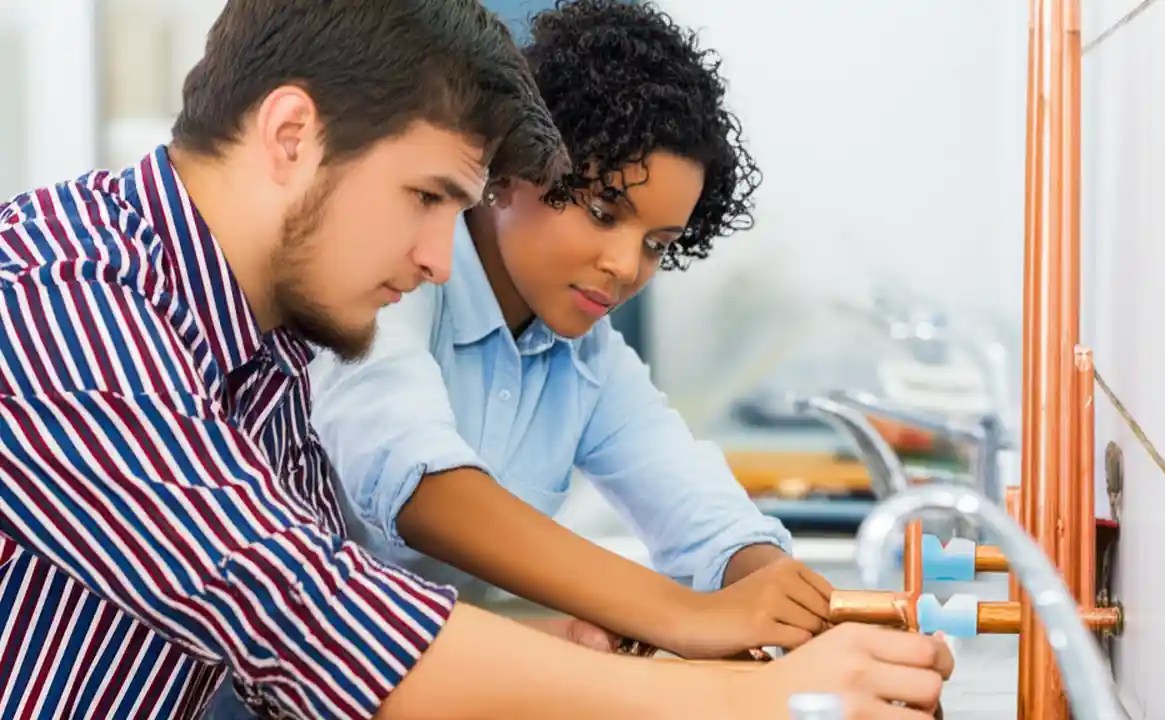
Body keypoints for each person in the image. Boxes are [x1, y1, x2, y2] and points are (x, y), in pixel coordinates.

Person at [0, 1, 953, 718]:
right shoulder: (58, 304)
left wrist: (550, 649)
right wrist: (747, 691)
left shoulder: (265, 339)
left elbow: (306, 639)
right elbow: (306, 618)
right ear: (292, 137)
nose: (436, 259)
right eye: (425, 198)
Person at [307, 0, 946, 685]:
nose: (625, 265)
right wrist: (683, 615)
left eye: (656, 245)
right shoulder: (400, 280)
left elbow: (695, 506)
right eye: (604, 211)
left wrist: (808, 610)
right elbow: (422, 488)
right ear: (513, 168)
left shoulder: (585, 355)